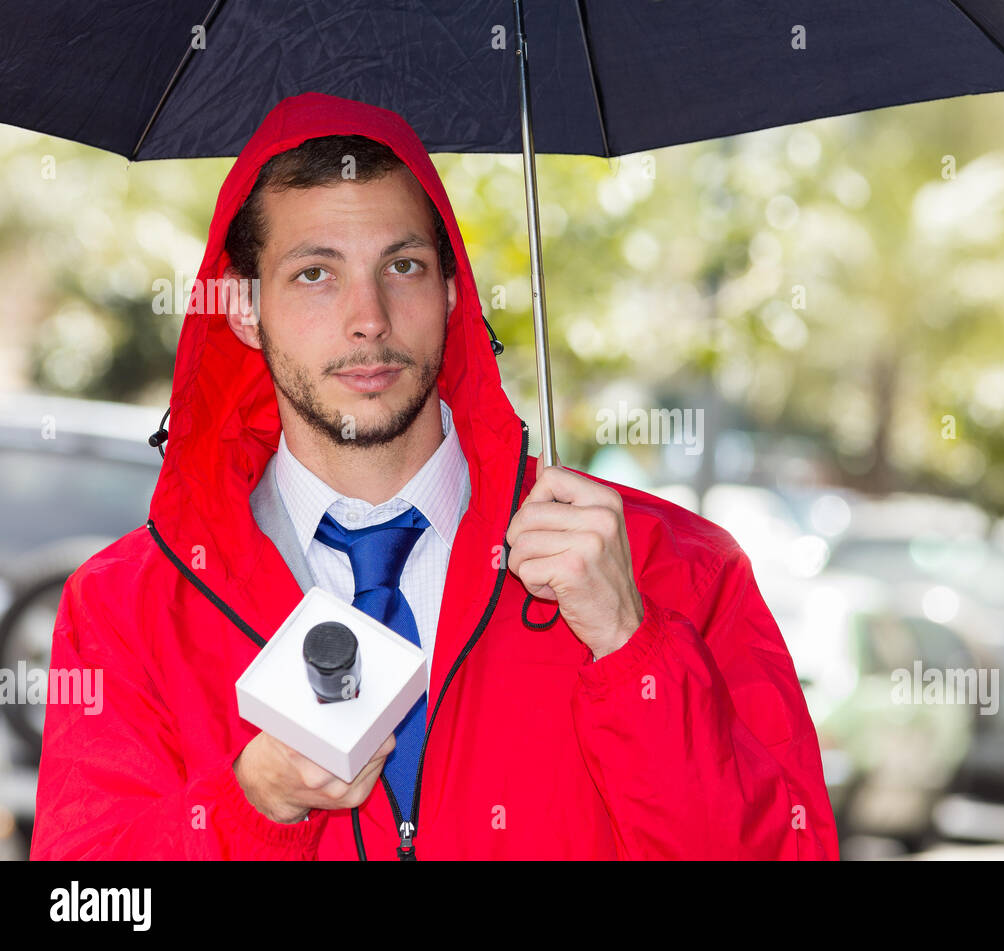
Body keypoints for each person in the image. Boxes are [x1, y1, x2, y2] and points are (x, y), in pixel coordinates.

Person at [30, 92, 839, 860]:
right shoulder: (124, 608)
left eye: (404, 265)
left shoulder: (676, 565)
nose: (369, 316)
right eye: (315, 273)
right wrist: (254, 802)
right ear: (244, 307)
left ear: (453, 290)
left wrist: (635, 653)